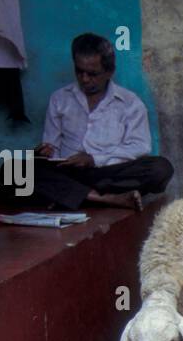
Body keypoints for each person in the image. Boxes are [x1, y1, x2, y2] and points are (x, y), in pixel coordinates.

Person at [32, 33, 174, 210]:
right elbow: (52, 147)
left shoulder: (130, 103)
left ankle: (68, 196)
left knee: (161, 168)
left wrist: (94, 159)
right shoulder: (59, 99)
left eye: (92, 74)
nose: (84, 79)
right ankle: (109, 199)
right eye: (79, 71)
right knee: (13, 170)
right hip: (68, 173)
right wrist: (43, 153)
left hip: (107, 175)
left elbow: (140, 147)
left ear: (109, 72)